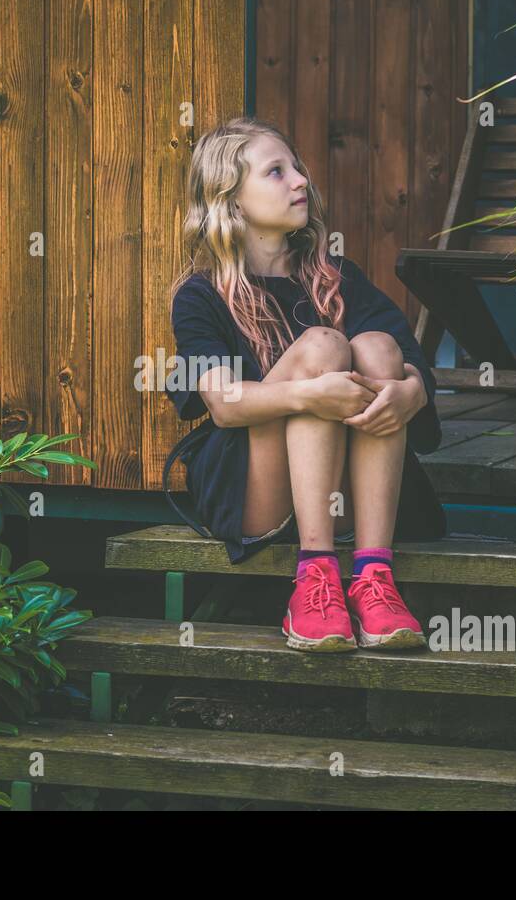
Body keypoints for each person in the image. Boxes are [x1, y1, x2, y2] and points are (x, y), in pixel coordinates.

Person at [163, 115, 446, 654]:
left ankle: (373, 577)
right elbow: (223, 405)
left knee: (380, 349)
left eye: (297, 167)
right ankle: (315, 578)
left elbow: (410, 364)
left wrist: (411, 393)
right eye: (275, 172)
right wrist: (310, 394)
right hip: (259, 495)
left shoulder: (338, 275)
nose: (300, 181)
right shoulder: (200, 295)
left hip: (347, 494)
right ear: (232, 201)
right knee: (323, 347)